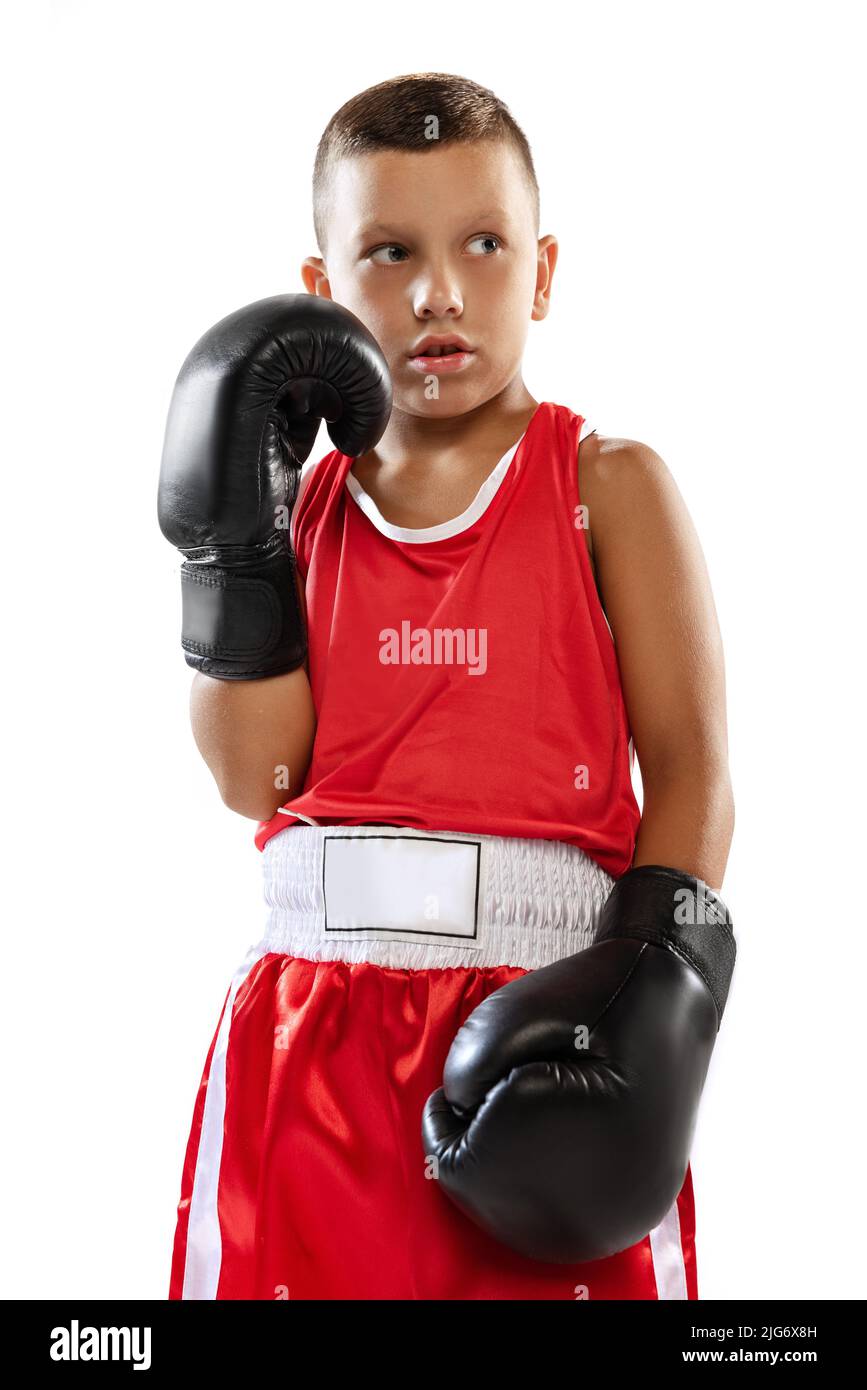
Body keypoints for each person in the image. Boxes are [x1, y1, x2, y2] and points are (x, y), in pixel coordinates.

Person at [160, 72, 736, 1301]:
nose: (438, 292)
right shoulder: (299, 516)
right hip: (308, 1034)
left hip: (548, 1027)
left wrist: (656, 1019)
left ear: (542, 270)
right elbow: (252, 778)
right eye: (388, 251)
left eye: (484, 243)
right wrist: (233, 552)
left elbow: (692, 770)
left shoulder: (607, 484)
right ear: (318, 295)